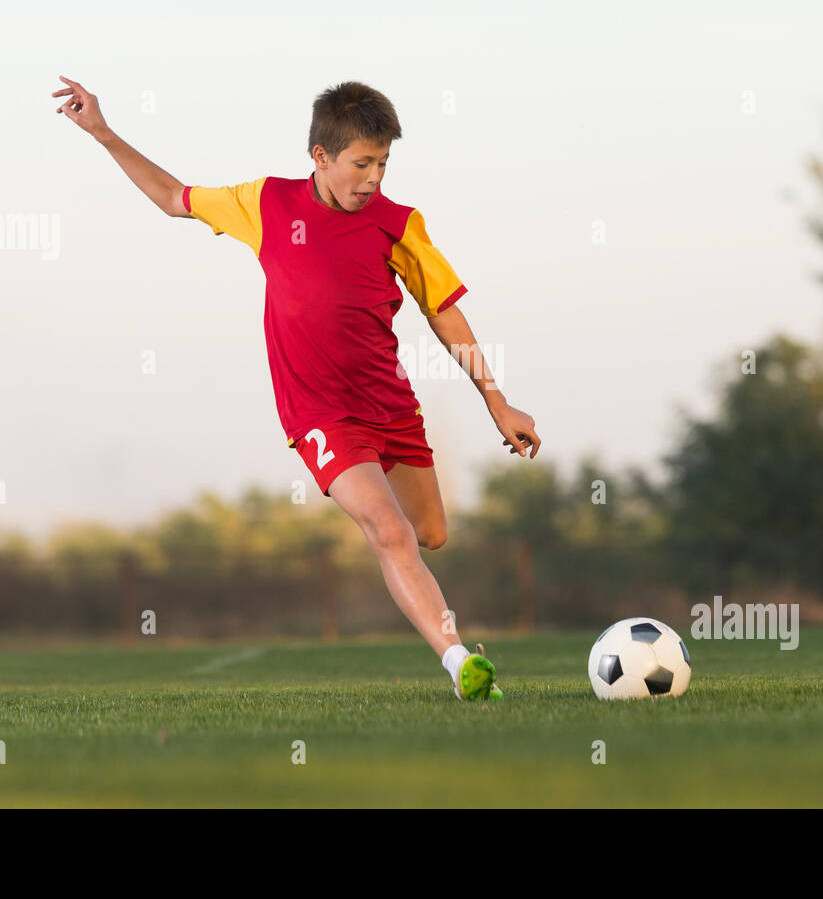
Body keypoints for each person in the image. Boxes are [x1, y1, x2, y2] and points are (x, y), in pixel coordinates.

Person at [52, 76, 541, 701]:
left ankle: (405, 566)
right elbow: (173, 197)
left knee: (427, 534)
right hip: (320, 414)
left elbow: (445, 312)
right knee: (388, 532)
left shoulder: (399, 224)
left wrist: (496, 401)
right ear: (321, 157)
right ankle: (459, 663)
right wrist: (102, 133)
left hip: (390, 405)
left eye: (384, 164)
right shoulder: (267, 203)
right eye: (362, 163)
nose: (373, 178)